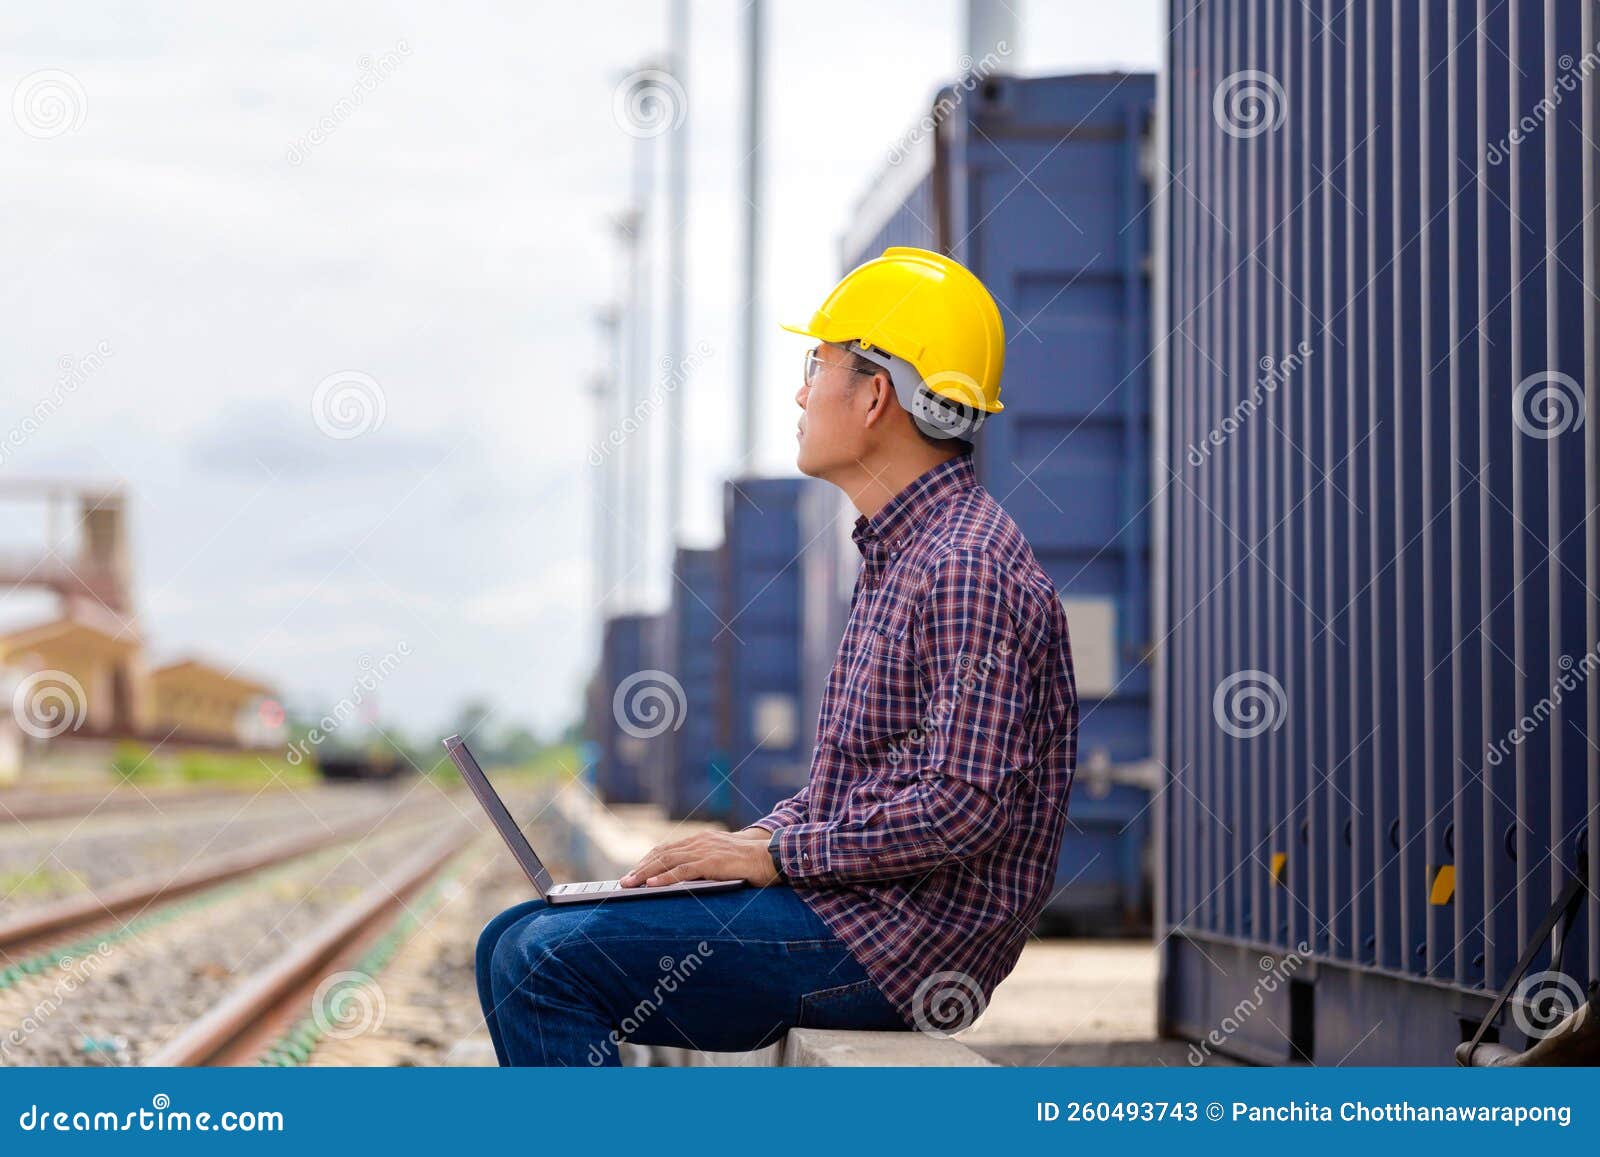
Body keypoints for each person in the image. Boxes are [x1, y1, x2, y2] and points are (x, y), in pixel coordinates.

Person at [476, 246, 1078, 1066]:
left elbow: (960, 805)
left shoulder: (962, 563)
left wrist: (770, 853)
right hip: (858, 913)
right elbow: (853, 792)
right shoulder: (909, 552)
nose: (800, 392)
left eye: (816, 364)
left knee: (537, 961)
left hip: (898, 943)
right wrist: (735, 846)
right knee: (515, 933)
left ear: (876, 394)